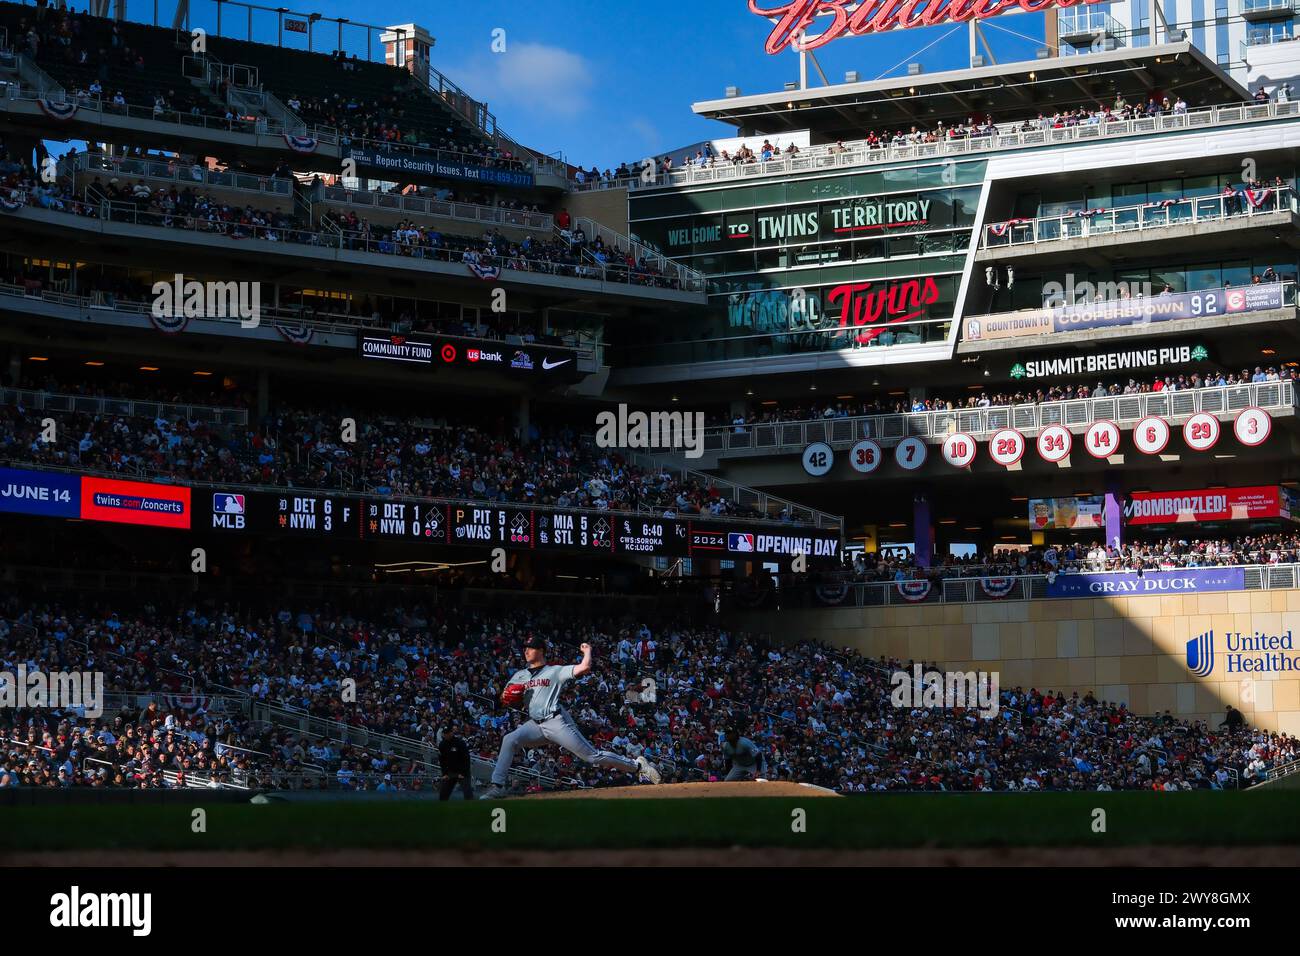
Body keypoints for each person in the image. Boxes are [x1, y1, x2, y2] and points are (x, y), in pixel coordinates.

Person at [479, 635, 660, 799]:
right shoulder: (520, 675)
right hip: (535, 724)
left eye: (530, 647)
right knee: (509, 739)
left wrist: (587, 652)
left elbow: (584, 667)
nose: (526, 650)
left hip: (556, 721)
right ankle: (498, 786)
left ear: (541, 650)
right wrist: (506, 697)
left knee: (592, 757)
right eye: (525, 647)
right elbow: (505, 698)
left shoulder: (555, 670)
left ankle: (637, 766)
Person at [437, 723, 475, 801]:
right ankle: (442, 810)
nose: (446, 735)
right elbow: (442, 760)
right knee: (443, 794)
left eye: (447, 733)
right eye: (444, 733)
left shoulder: (460, 743)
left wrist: (463, 773)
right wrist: (444, 773)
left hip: (462, 771)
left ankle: (471, 809)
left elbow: (466, 759)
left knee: (467, 793)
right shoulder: (442, 744)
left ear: (451, 732)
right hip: (450, 772)